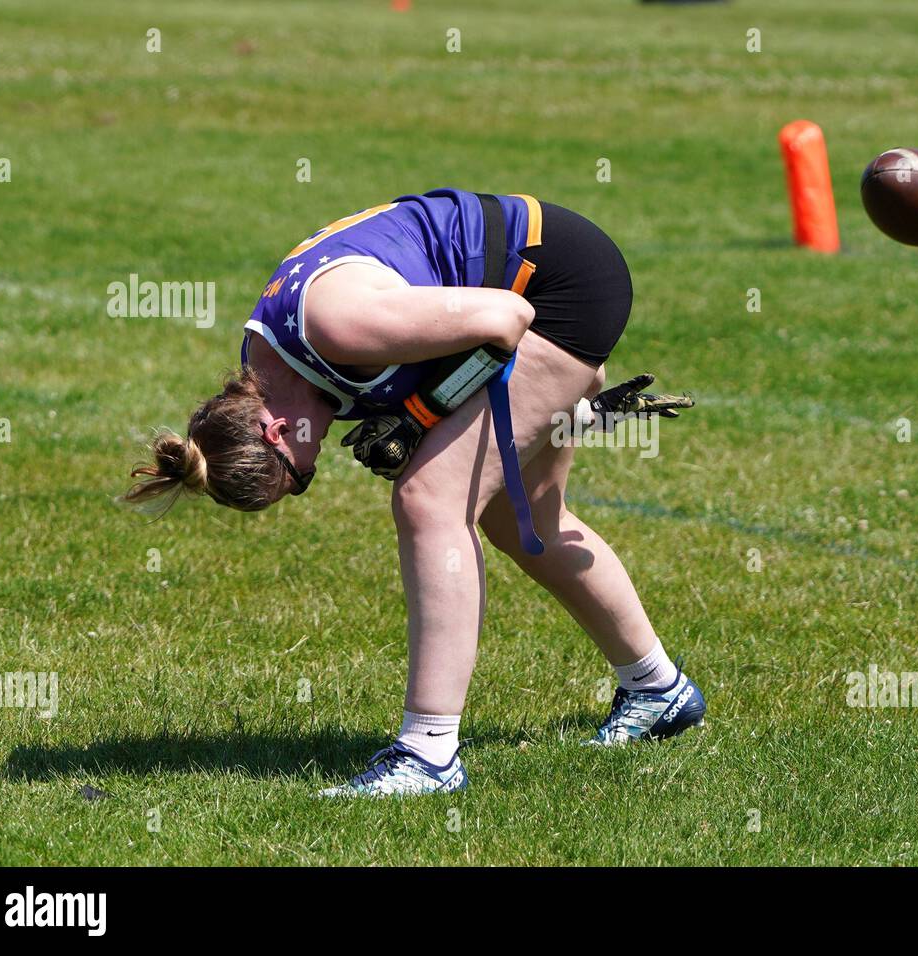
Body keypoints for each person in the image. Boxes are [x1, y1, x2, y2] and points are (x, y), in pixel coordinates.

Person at [124, 189, 707, 797]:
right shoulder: (271, 372)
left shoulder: (336, 328)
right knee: (523, 518)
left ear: (274, 432)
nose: (313, 467)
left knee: (428, 499)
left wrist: (421, 413)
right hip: (531, 293)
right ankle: (659, 690)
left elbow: (506, 321)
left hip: (554, 284)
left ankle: (428, 755)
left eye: (297, 475)